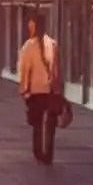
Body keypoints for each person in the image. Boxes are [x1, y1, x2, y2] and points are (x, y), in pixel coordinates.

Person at [18, 14, 62, 165]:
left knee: (37, 123)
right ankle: (48, 153)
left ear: (35, 26)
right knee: (50, 124)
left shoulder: (29, 46)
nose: (29, 28)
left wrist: (24, 89)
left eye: (31, 26)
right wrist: (58, 90)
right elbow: (56, 71)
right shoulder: (53, 44)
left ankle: (38, 151)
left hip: (36, 92)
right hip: (50, 91)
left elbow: (25, 69)